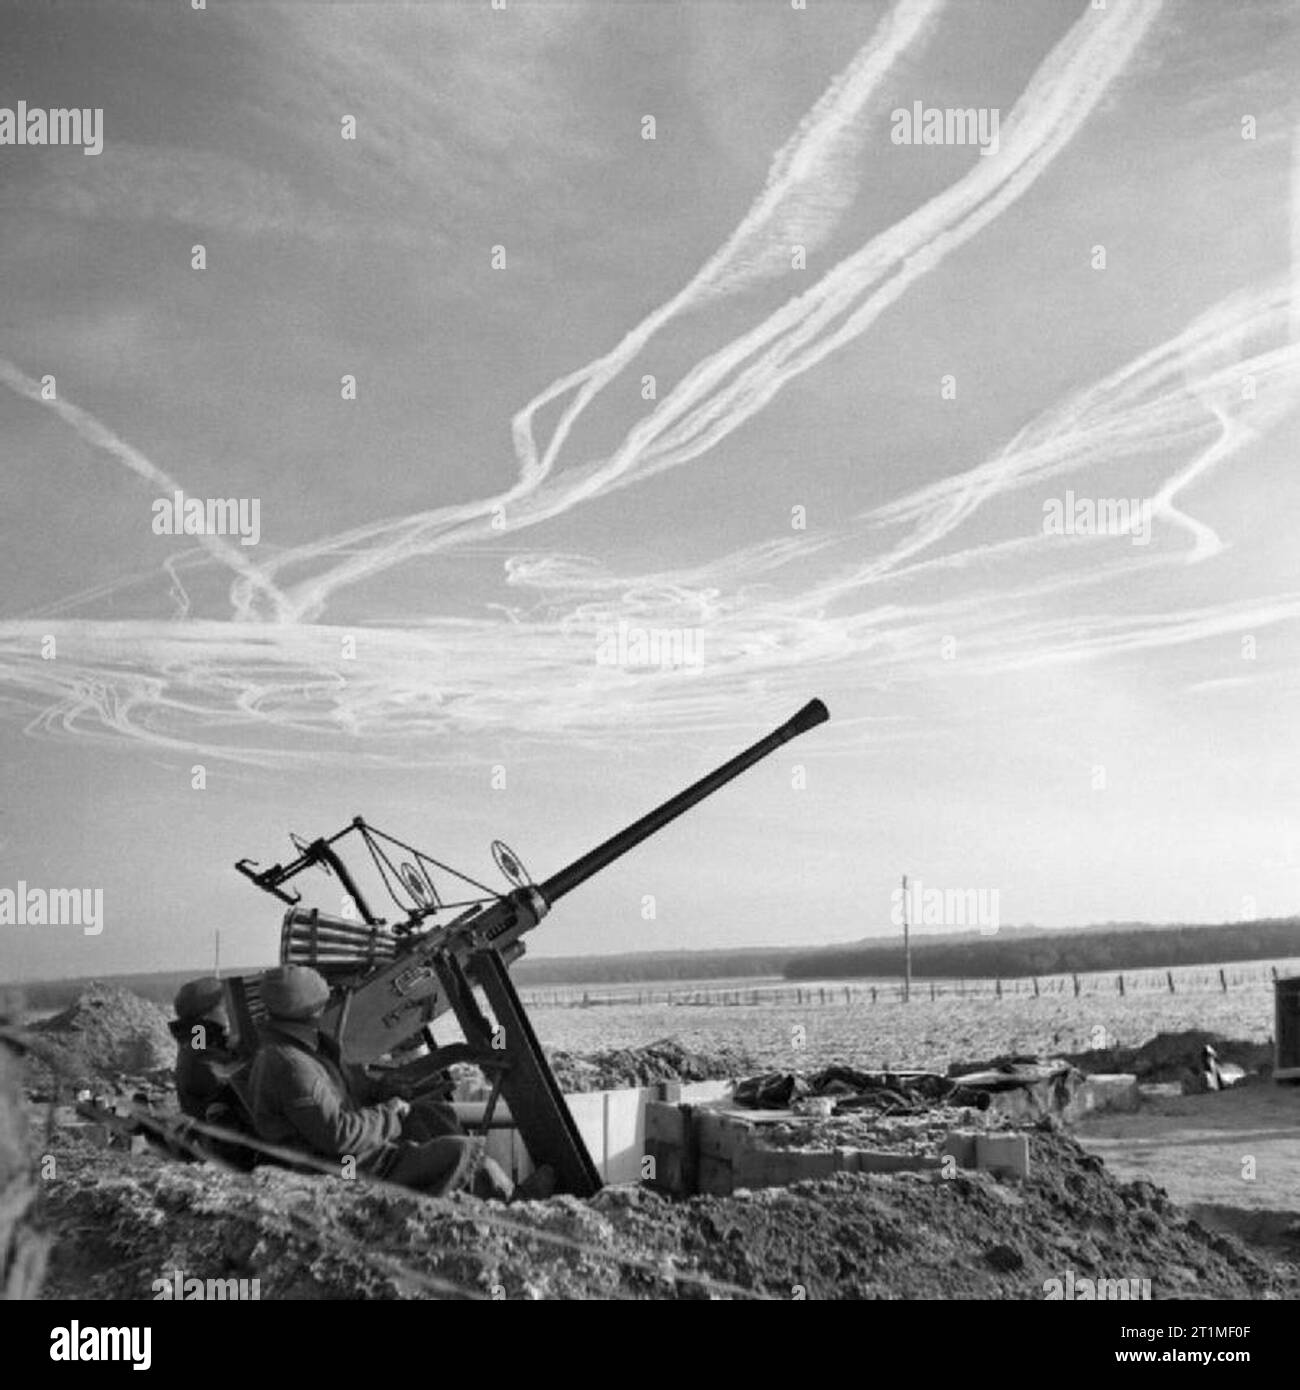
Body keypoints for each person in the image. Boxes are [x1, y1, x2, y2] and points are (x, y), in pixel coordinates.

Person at [249, 965, 540, 1201]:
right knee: (458, 1150)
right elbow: (339, 1136)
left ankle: (504, 1196)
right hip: (341, 1170)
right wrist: (390, 1113)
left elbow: (354, 1087)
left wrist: (386, 1090)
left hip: (353, 1157)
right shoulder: (290, 1065)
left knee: (433, 1115)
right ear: (312, 1011)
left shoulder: (311, 1050)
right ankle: (517, 1204)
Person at [169, 977, 255, 1166]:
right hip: (227, 1151)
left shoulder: (195, 1038)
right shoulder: (199, 1051)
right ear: (207, 1015)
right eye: (223, 1007)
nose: (227, 1013)